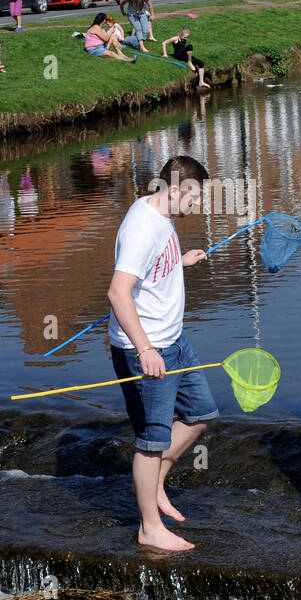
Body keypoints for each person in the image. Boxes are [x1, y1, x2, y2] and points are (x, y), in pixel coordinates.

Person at [106, 155, 216, 551]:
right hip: (149, 350)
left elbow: (147, 272)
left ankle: (155, 482)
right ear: (175, 190)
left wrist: (178, 265)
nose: (198, 205)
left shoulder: (157, 211)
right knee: (151, 441)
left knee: (201, 412)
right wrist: (145, 349)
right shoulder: (143, 228)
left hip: (175, 341)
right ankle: (149, 529)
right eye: (195, 198)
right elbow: (118, 292)